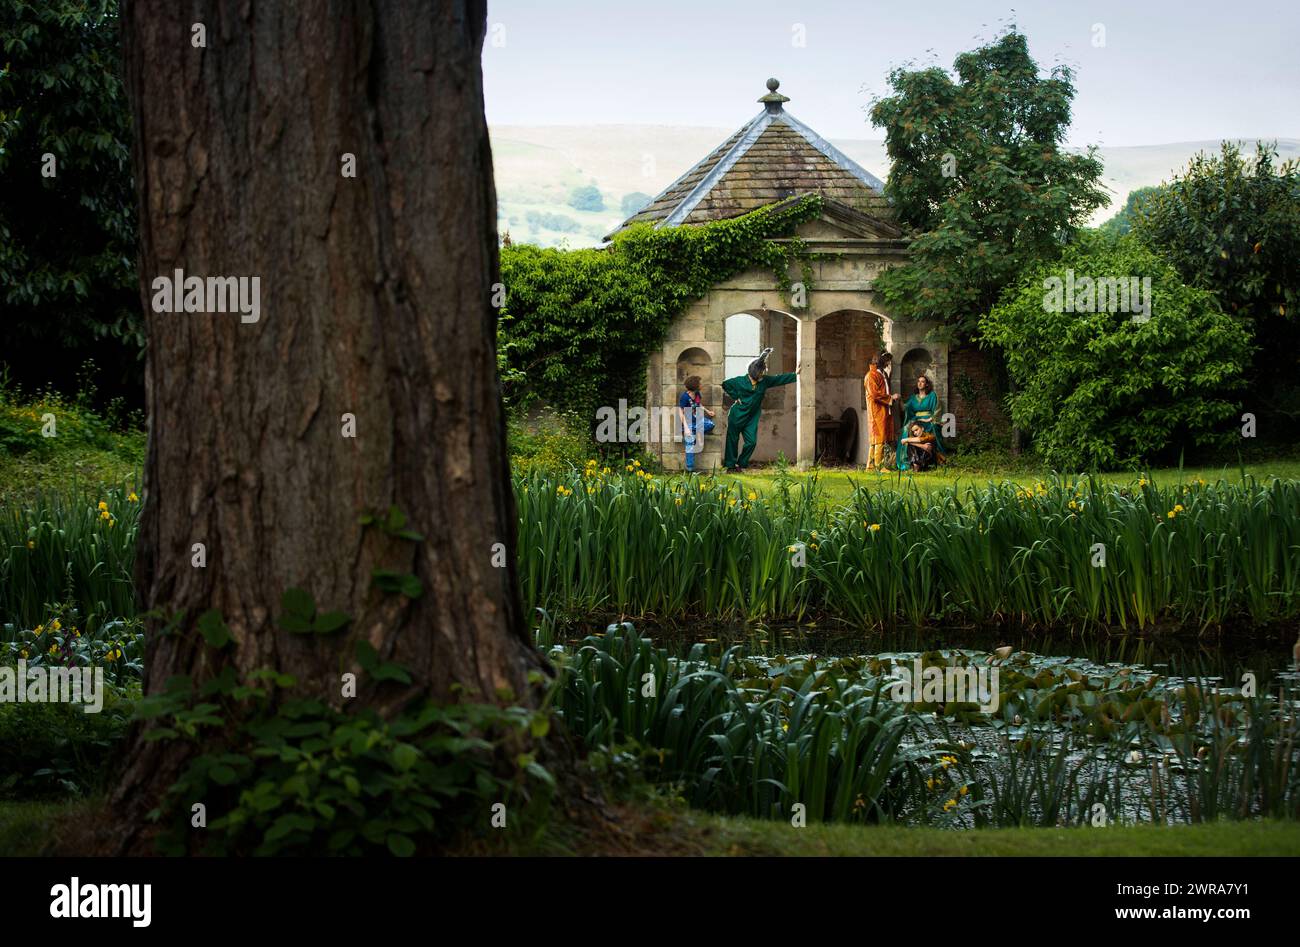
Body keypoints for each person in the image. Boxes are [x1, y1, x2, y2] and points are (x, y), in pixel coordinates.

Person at [721, 347, 798, 473]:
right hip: (737, 415)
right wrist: (735, 397)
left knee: (751, 442)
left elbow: (779, 379)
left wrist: (796, 375)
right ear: (754, 373)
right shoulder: (739, 381)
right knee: (732, 440)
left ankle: (740, 464)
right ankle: (730, 466)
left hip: (751, 417)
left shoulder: (764, 381)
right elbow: (725, 384)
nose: (763, 374)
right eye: (761, 372)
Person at [895, 373, 948, 471]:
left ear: (926, 384)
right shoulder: (913, 397)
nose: (920, 383)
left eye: (922, 382)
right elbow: (905, 409)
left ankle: (936, 457)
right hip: (916, 420)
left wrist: (929, 419)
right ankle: (906, 460)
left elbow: (937, 410)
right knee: (906, 429)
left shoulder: (932, 395)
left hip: (928, 419)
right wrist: (900, 400)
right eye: (918, 381)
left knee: (932, 427)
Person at [863, 352, 899, 471]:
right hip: (876, 410)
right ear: (881, 361)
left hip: (882, 410)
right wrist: (891, 398)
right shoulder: (871, 375)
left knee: (879, 437)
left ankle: (871, 465)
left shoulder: (881, 374)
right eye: (887, 361)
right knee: (879, 437)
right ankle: (879, 466)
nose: (889, 363)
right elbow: (874, 394)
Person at [678, 375, 716, 472]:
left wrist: (708, 411)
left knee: (710, 424)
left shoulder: (698, 394)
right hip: (688, 423)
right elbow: (680, 412)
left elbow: (699, 404)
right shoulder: (685, 397)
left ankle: (695, 433)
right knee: (690, 445)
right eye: (700, 383)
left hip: (698, 420)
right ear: (695, 386)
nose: (701, 384)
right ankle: (690, 469)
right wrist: (686, 428)